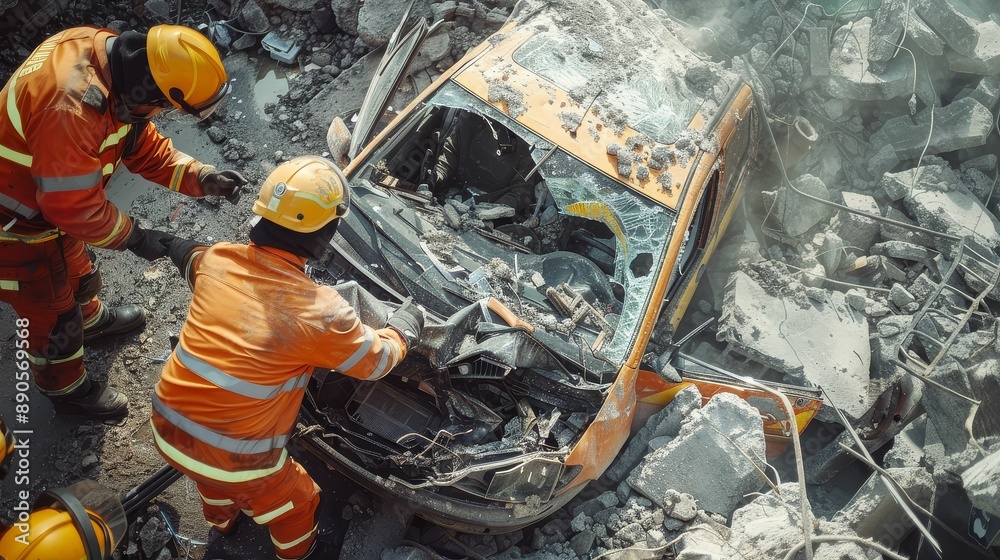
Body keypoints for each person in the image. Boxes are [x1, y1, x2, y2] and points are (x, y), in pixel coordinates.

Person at [150, 156, 424, 560]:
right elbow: (377, 361)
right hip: (236, 459)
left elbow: (188, 255)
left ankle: (223, 524)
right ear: (323, 234)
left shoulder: (217, 260)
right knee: (297, 502)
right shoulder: (321, 313)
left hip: (166, 428)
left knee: (211, 481)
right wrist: (404, 326)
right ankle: (298, 554)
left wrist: (152, 241)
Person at [0, 24, 246, 418]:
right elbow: (75, 209)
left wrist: (200, 177)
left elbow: (137, 143)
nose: (162, 114)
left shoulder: (118, 65)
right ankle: (68, 392)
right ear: (154, 94)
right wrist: (137, 237)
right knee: (52, 312)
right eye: (164, 107)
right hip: (14, 232)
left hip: (46, 216)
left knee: (79, 274)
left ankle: (92, 322)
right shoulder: (71, 106)